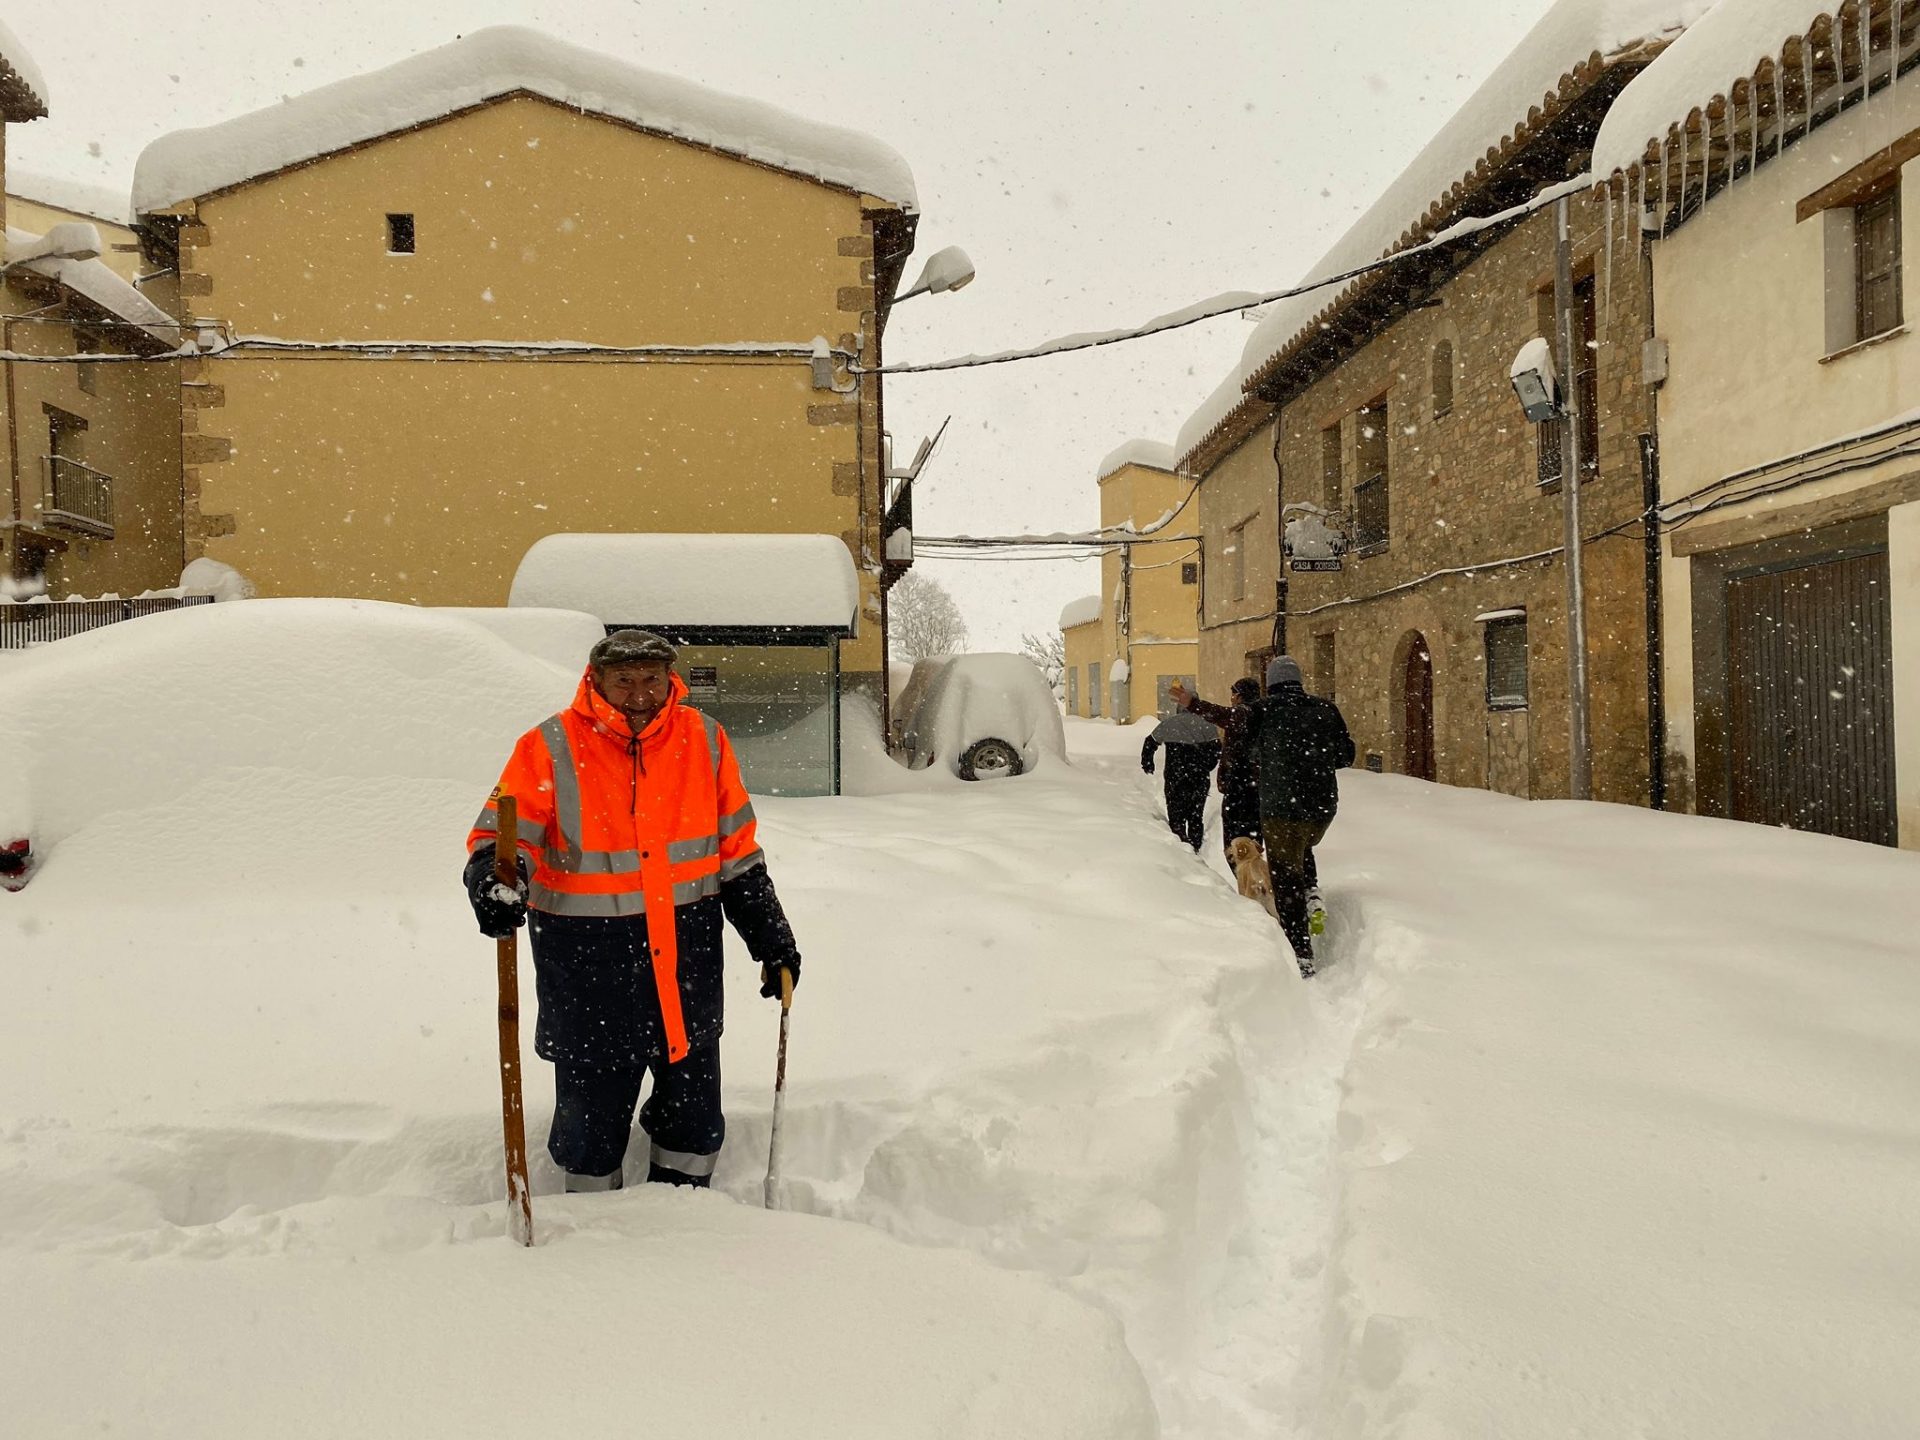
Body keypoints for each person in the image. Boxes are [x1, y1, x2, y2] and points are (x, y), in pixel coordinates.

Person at [463, 628, 802, 1193]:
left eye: (650, 679)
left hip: (685, 972)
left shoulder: (706, 740)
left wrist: (771, 938)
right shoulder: (548, 745)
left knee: (693, 1123)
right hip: (589, 974)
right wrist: (496, 882)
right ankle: (595, 1241)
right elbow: (501, 838)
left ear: (669, 680)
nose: (639, 694)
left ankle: (687, 1216)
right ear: (596, 680)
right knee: (589, 1131)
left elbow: (737, 853)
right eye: (623, 681)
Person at [1172, 656, 1353, 975]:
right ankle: (1312, 893)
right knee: (1301, 847)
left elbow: (1229, 717)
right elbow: (1345, 755)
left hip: (1283, 808)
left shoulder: (1263, 710)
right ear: (1298, 681)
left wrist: (1193, 703)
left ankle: (1301, 953)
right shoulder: (1326, 709)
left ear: (1271, 683)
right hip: (1323, 808)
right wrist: (1313, 756)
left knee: (1284, 876)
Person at [1141, 702, 1222, 852]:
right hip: (1198, 776)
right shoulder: (1207, 725)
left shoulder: (1169, 723)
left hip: (1174, 774)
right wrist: (1206, 767)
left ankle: (1180, 847)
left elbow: (1150, 742)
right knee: (1195, 815)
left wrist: (1147, 763)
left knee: (1175, 812)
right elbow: (1216, 750)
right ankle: (1196, 846)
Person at [1215, 677, 1263, 864]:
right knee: (1253, 843)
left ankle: (1247, 885)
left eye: (1233, 694)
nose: (1231, 698)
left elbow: (1218, 714)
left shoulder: (1241, 715)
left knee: (1235, 847)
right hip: (1258, 787)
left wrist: (1193, 704)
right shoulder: (1263, 713)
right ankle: (1254, 879)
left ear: (1240, 695)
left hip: (1239, 788)